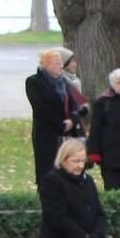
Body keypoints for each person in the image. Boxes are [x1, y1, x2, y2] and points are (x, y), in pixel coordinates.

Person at [24, 48, 72, 181]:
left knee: (64, 167)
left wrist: (72, 120)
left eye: (61, 62)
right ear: (46, 64)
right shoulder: (34, 82)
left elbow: (74, 103)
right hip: (46, 132)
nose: (61, 66)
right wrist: (61, 124)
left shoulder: (65, 82)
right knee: (47, 169)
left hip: (66, 132)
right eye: (57, 63)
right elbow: (41, 108)